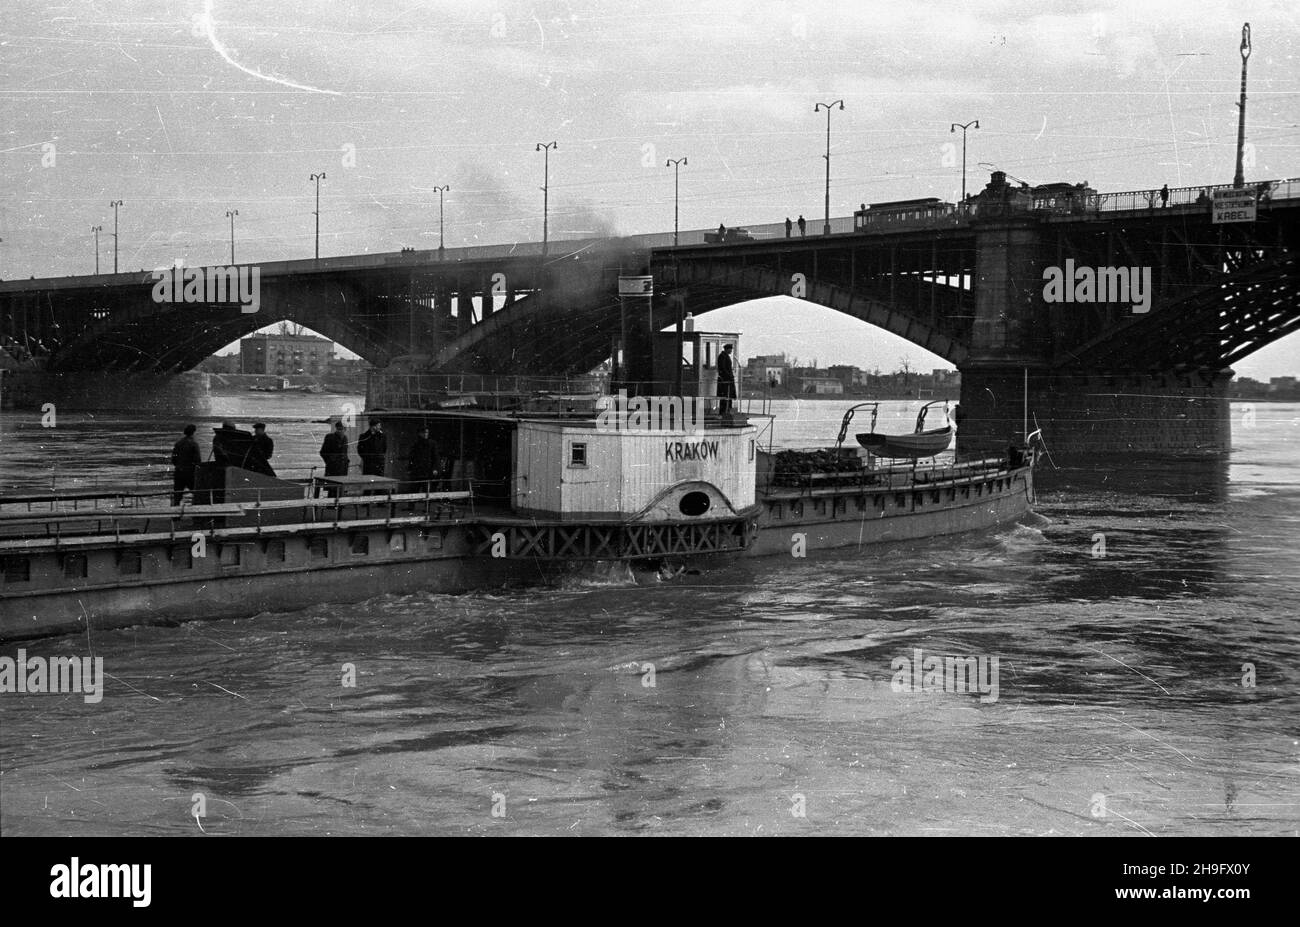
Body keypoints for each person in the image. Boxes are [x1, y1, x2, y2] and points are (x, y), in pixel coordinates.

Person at [170, 424, 201, 505]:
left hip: (179, 472)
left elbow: (173, 459)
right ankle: (197, 514)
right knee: (197, 493)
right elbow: (198, 460)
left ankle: (175, 516)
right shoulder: (194, 444)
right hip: (190, 473)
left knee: (177, 495)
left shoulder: (178, 444)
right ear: (193, 433)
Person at [407, 425, 440, 492]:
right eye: (424, 432)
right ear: (419, 433)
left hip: (428, 471)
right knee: (414, 490)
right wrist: (410, 468)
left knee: (427, 491)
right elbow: (412, 458)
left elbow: (436, 457)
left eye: (427, 432)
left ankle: (427, 502)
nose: (425, 434)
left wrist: (435, 468)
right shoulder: (416, 444)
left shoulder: (432, 444)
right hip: (417, 472)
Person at [716, 343, 736, 416]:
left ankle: (727, 411)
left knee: (728, 396)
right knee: (725, 396)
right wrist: (729, 376)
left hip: (727, 379)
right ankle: (724, 412)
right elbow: (723, 368)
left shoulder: (725, 356)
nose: (731, 351)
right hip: (725, 380)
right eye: (730, 349)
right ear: (727, 349)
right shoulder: (723, 357)